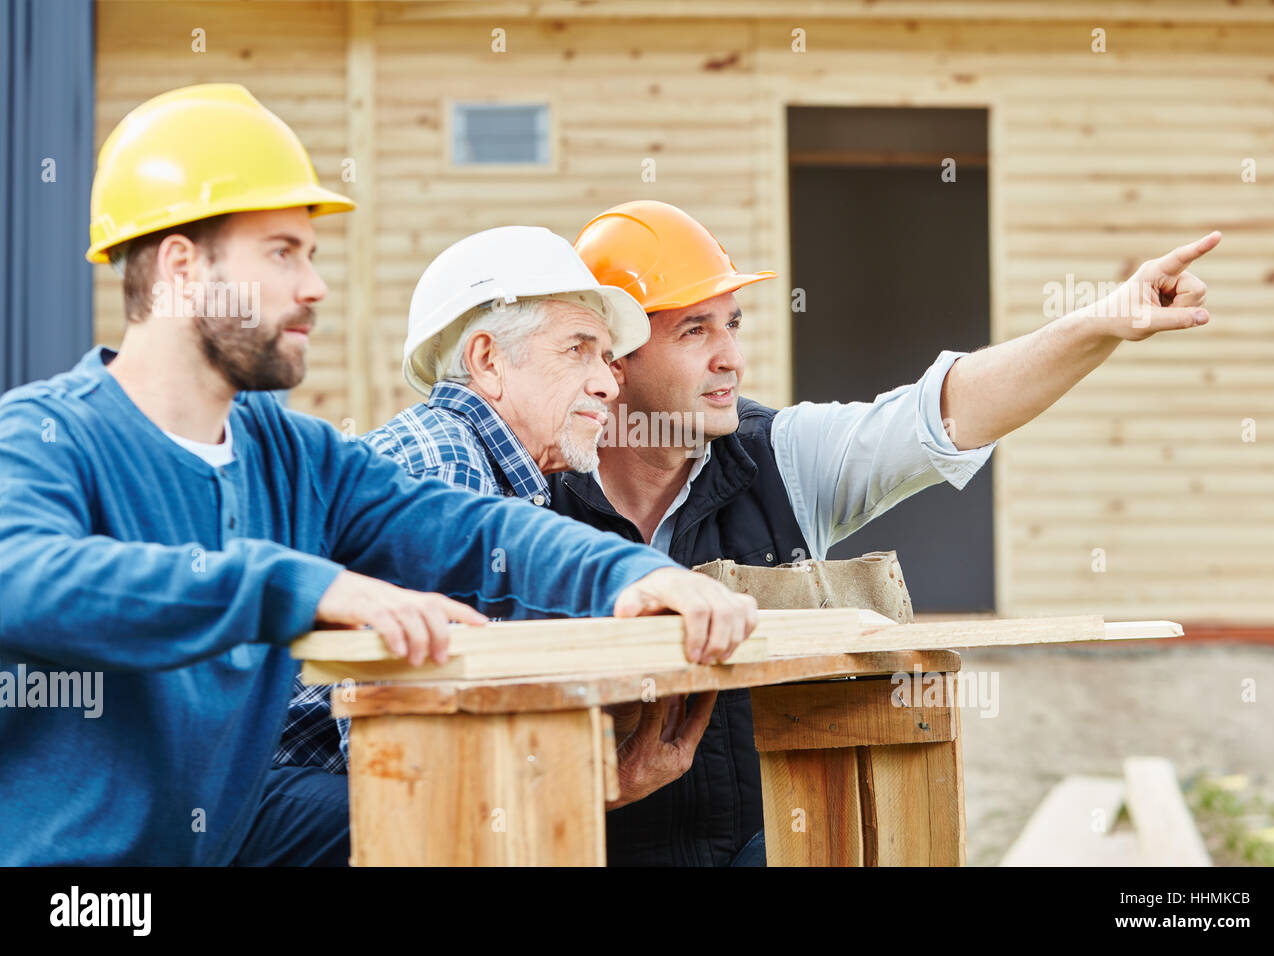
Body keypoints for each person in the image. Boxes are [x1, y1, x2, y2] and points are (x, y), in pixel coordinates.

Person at [0, 89, 755, 866]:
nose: (314, 288)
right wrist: (297, 587)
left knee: (460, 829)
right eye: (281, 253)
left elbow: (474, 532)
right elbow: (21, 576)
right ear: (185, 268)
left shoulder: (296, 459)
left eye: (311, 255)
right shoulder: (48, 435)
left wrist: (630, 575)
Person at [553, 199, 1218, 865]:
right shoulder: (530, 498)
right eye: (694, 332)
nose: (730, 358)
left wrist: (1100, 324)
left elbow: (944, 413)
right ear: (611, 361)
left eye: (733, 324)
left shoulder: (780, 459)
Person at [278, 226, 751, 808]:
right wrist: (601, 788)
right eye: (578, 349)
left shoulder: (503, 476)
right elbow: (409, 771)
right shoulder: (442, 459)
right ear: (488, 361)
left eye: (607, 357)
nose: (607, 383)